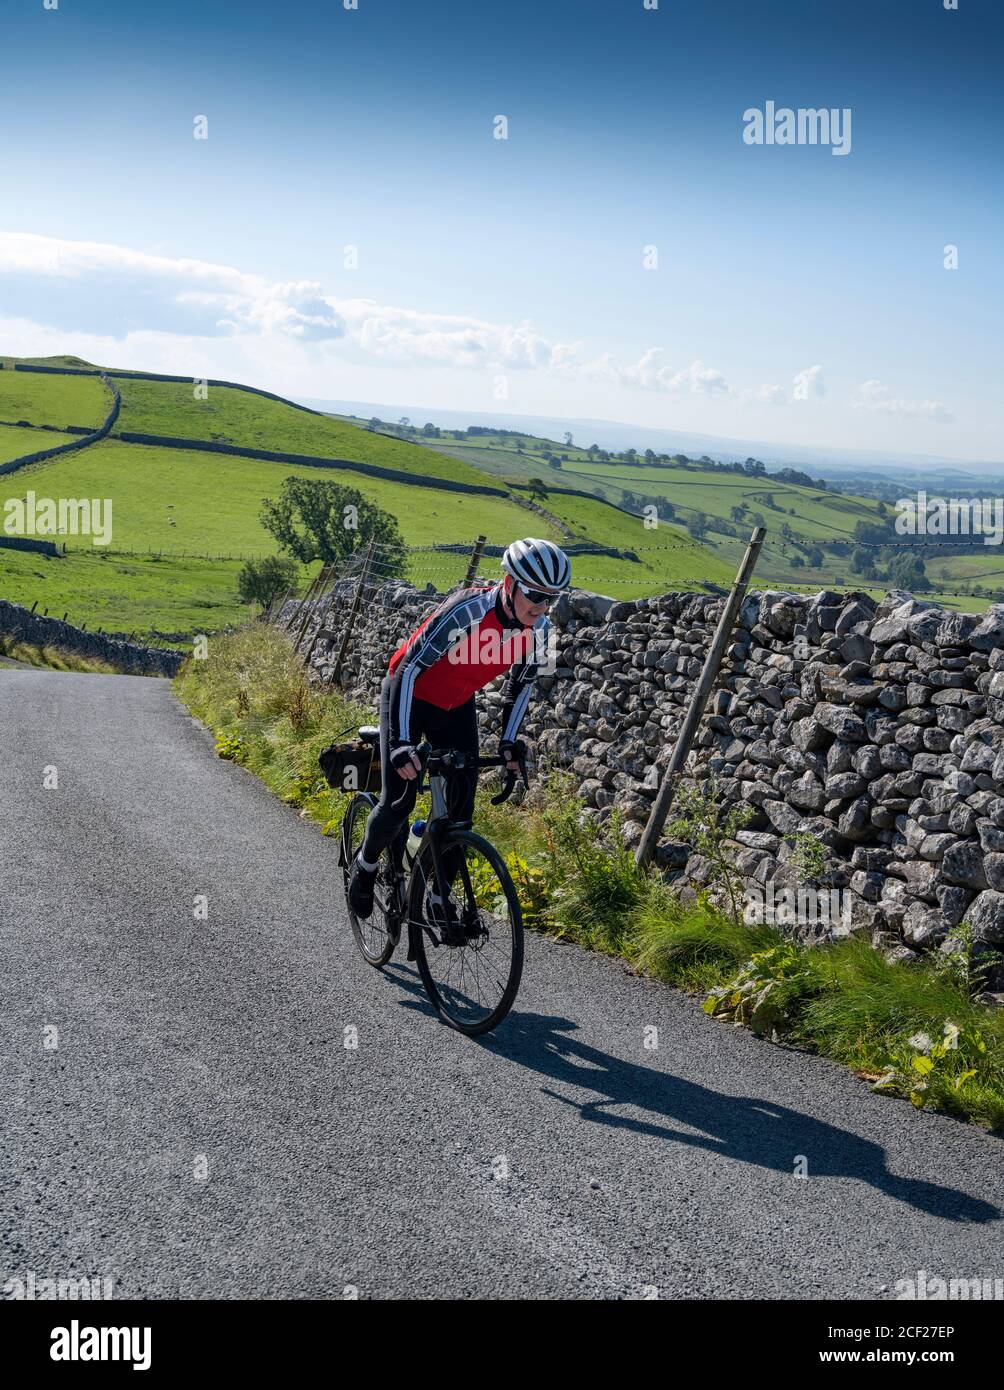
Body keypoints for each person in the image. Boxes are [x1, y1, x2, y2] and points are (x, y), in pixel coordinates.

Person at [347, 537, 571, 919]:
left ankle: (438, 897)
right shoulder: (468, 611)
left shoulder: (542, 631)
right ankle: (365, 868)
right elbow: (409, 669)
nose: (541, 605)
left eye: (552, 598)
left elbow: (521, 684)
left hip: (454, 705)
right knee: (399, 799)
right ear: (510, 583)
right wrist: (402, 742)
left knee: (461, 812)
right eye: (534, 593)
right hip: (408, 693)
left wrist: (507, 741)